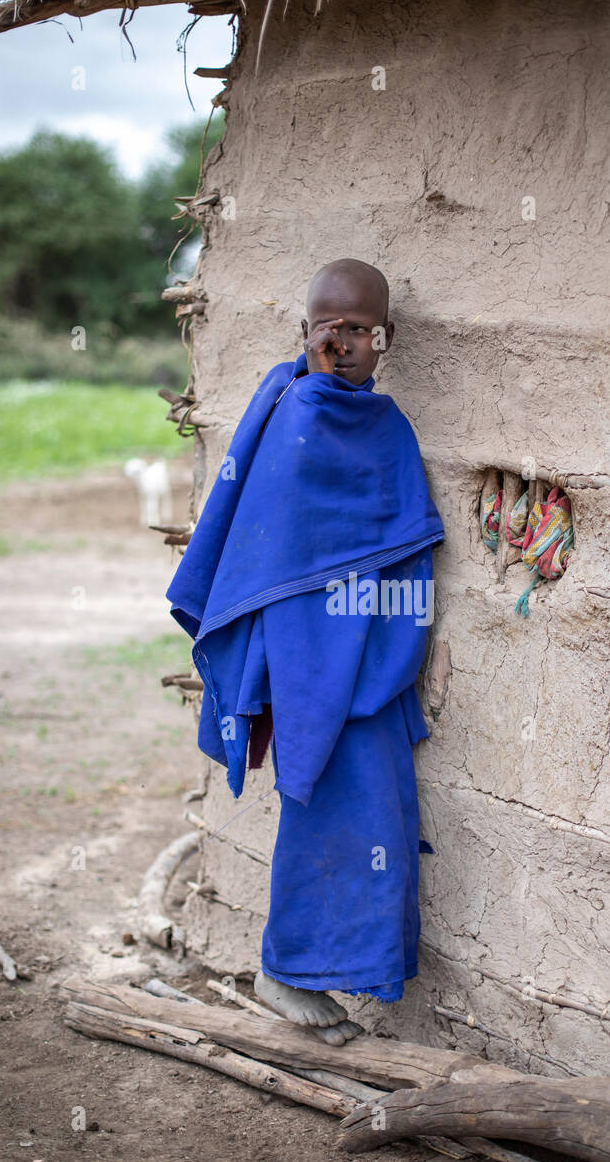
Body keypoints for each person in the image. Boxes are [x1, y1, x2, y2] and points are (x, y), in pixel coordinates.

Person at [168, 259, 443, 1044]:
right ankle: (286, 970)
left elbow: (399, 543)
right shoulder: (294, 414)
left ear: (385, 340)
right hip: (308, 657)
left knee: (377, 805)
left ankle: (320, 967)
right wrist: (284, 665)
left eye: (364, 331)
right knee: (320, 793)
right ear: (307, 332)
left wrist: (390, 637)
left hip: (371, 656)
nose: (348, 345)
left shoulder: (385, 424)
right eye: (334, 329)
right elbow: (273, 557)